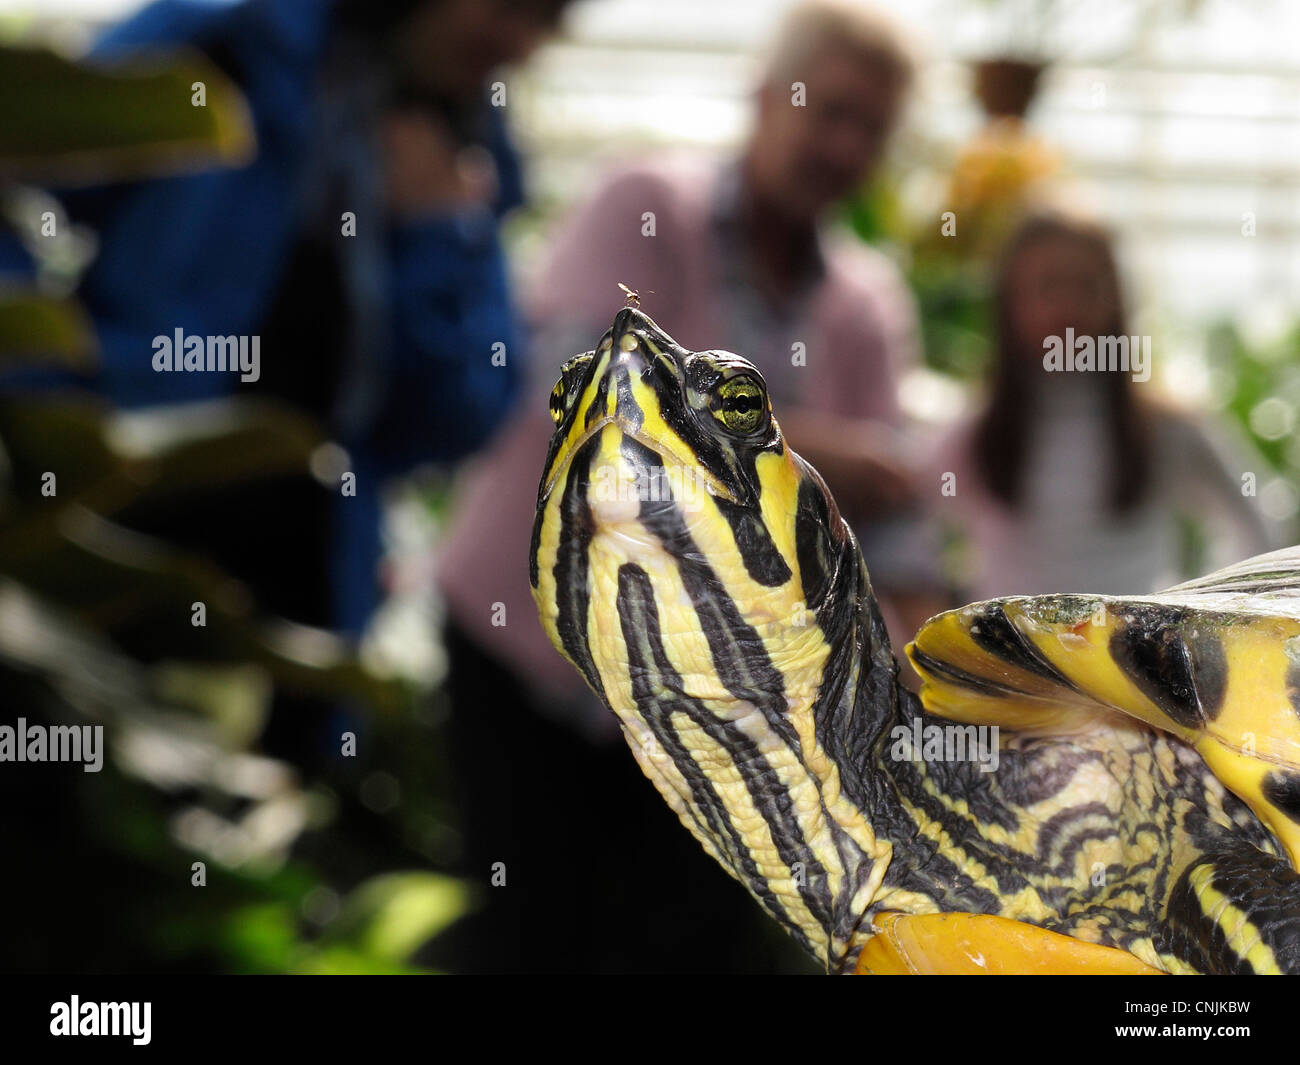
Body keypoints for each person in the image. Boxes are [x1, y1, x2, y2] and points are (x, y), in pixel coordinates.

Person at [429, 0, 930, 973]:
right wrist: (814, 458)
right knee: (524, 933)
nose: (842, 144)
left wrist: (919, 684)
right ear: (762, 95)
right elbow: (581, 400)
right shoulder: (646, 207)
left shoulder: (866, 306)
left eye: (869, 127)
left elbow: (899, 533)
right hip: (525, 660)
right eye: (826, 110)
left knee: (678, 945)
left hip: (708, 712)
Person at [41, 0, 573, 638]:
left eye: (551, 18)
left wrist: (438, 235)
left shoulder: (462, 148)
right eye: (514, 7)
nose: (522, 40)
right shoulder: (223, 45)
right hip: (113, 516)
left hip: (305, 579)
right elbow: (26, 184)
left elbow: (457, 419)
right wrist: (46, 409)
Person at [928, 204, 1278, 602]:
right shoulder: (975, 432)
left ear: (1115, 299)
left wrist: (1208, 623)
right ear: (1008, 305)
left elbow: (1255, 517)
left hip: (1134, 660)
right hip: (1005, 664)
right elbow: (908, 525)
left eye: (1086, 286)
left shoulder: (1165, 425)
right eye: (1048, 286)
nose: (1066, 308)